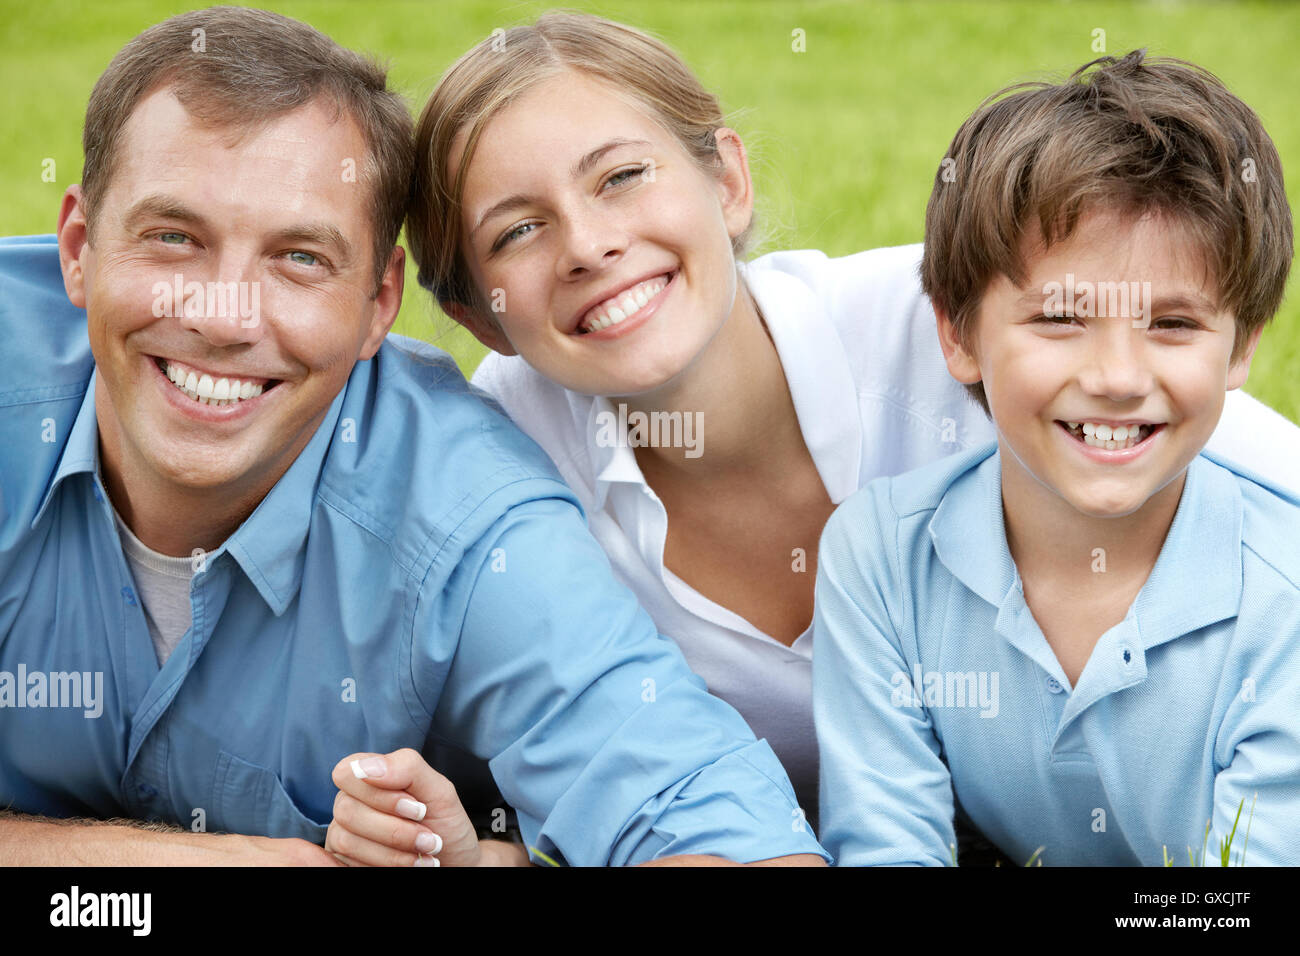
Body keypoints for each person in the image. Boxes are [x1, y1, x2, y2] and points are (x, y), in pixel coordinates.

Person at [398, 11, 1300, 831]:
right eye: (517, 231)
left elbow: (1249, 453)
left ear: (729, 182)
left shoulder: (968, 321)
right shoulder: (501, 471)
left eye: (623, 176)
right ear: (482, 317)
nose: (589, 244)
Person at [0, 5, 829, 868]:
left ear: (379, 304)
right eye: (174, 238)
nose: (225, 317)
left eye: (300, 260)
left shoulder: (468, 519)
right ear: (79, 248)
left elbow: (739, 846)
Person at [814, 51, 1300, 865]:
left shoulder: (1284, 602)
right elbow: (887, 847)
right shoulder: (881, 558)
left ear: (1241, 348)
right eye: (1062, 319)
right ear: (958, 335)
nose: (1116, 378)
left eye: (1173, 324)